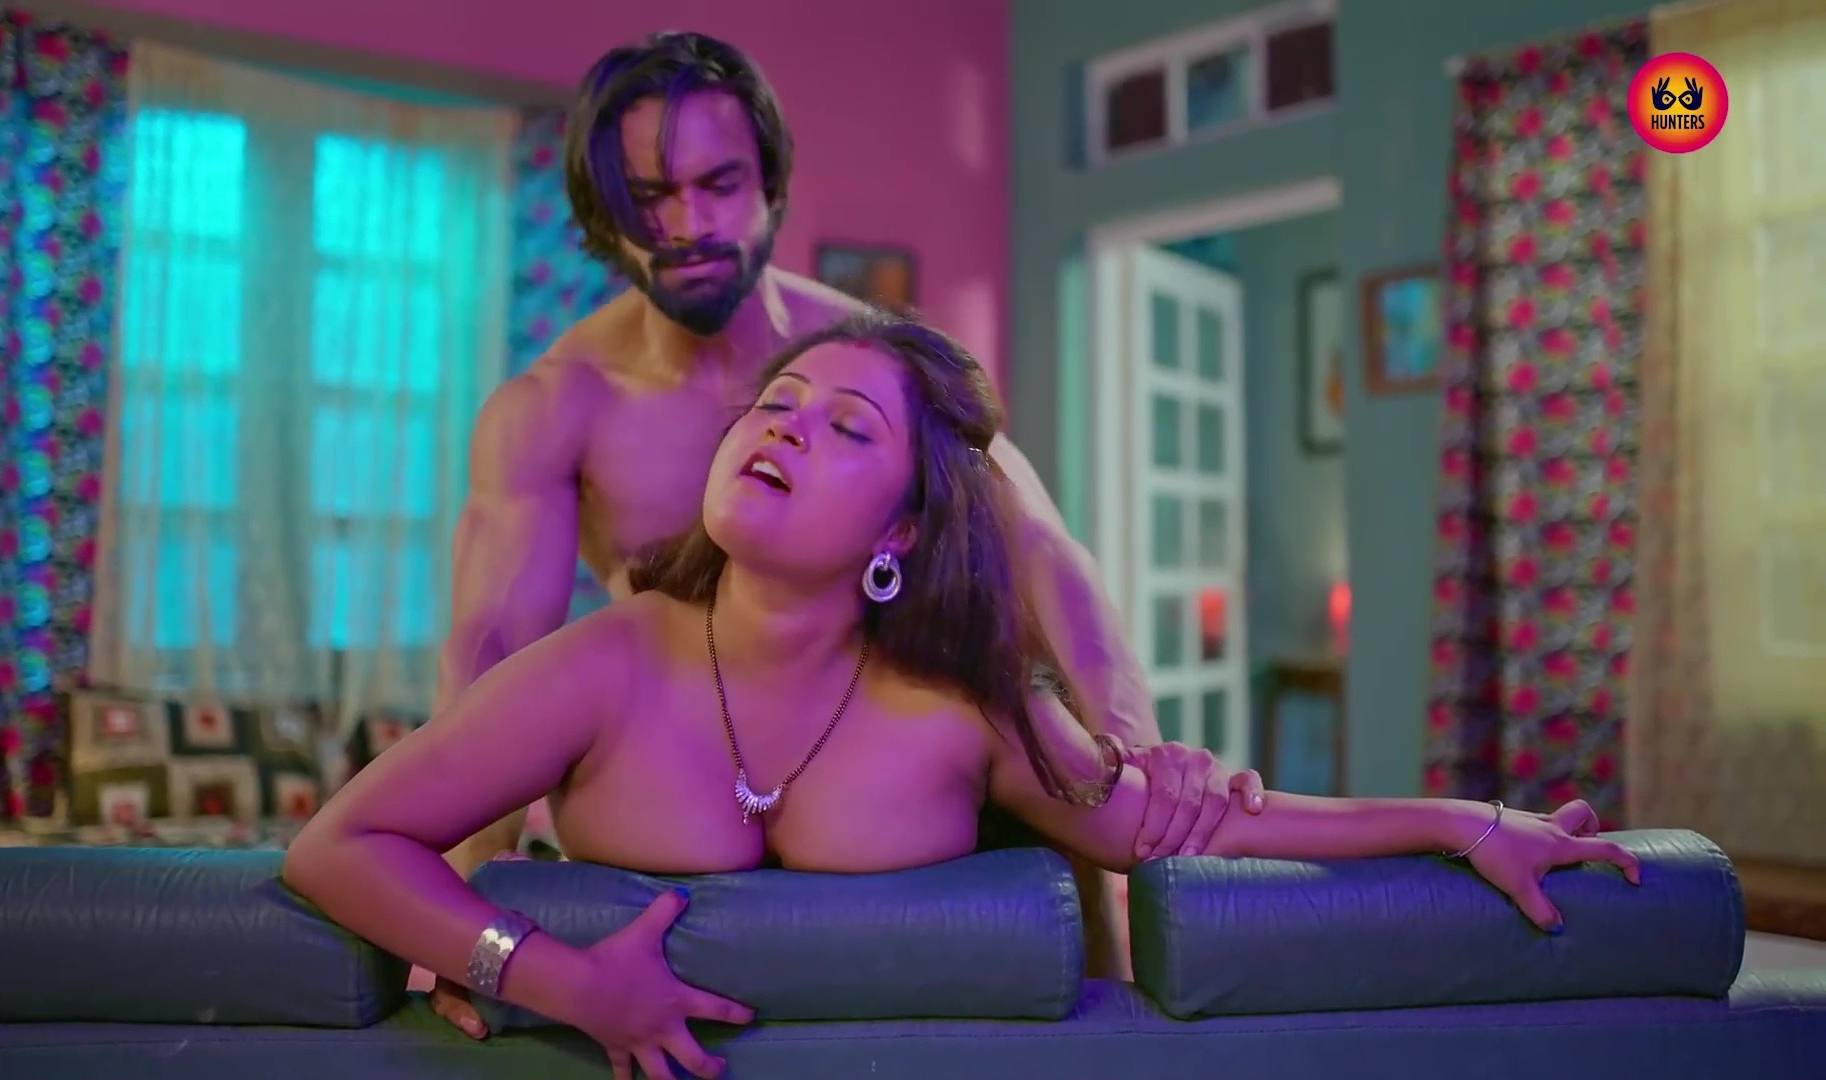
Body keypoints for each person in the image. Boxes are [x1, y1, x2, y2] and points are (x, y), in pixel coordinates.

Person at [285, 314, 1642, 1080]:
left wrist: (1464, 822)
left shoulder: (962, 708)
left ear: (903, 533)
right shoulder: (609, 660)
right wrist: (563, 980)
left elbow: (1188, 829)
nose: (784, 424)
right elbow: (339, 844)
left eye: (846, 427)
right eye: (778, 402)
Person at [433, 27, 1258, 987]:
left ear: (771, 184)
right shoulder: (556, 408)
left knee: (1088, 918)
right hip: (691, 810)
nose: (688, 222)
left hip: (891, 798)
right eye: (650, 196)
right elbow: (494, 655)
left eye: (720, 183)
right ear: (603, 213)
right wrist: (460, 923)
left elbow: (1041, 553)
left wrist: (1134, 770)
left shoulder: (875, 359)